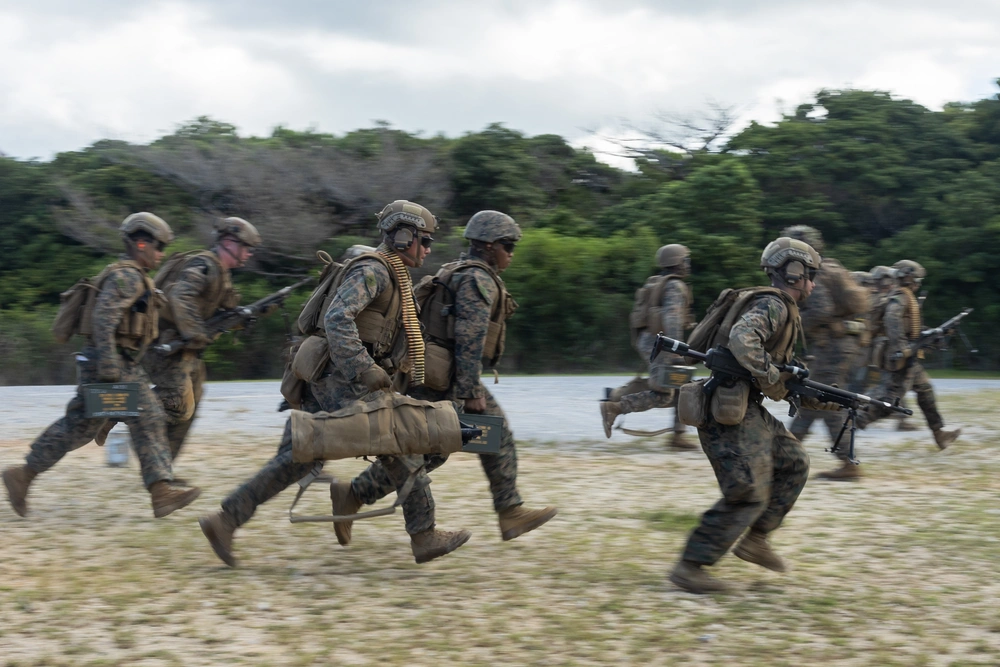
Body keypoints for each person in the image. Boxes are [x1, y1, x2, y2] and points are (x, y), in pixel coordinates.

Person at [199, 200, 470, 566]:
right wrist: (364, 368)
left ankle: (225, 520)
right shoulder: (374, 271)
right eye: (424, 240)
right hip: (342, 377)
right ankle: (424, 535)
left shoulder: (393, 274)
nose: (428, 248)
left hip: (331, 375)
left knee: (297, 458)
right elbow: (338, 319)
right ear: (404, 236)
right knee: (402, 443)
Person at [330, 210, 557, 546]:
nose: (511, 253)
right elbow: (469, 339)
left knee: (434, 450)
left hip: (434, 373)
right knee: (492, 436)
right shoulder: (477, 279)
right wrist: (470, 390)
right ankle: (508, 512)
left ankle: (355, 493)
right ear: (489, 245)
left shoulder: (458, 270)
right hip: (446, 377)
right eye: (508, 245)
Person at [2, 213, 201, 519]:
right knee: (147, 415)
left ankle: (23, 475)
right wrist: (111, 367)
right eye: (158, 246)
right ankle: (161, 492)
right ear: (141, 243)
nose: (161, 254)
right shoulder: (127, 277)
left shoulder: (133, 276)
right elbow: (103, 320)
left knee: (80, 426)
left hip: (105, 362)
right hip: (111, 363)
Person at [669, 237, 833, 594]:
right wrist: (773, 379)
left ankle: (756, 540)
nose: (813, 284)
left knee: (793, 463)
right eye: (810, 276)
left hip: (747, 406)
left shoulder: (778, 306)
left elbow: (784, 373)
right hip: (727, 409)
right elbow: (745, 339)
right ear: (795, 273)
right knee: (748, 492)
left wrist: (830, 401)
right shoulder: (773, 305)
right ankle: (690, 567)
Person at [141, 217, 261, 462]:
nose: (248, 254)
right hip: (165, 346)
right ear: (228, 242)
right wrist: (196, 334)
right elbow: (180, 296)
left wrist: (241, 319)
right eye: (245, 248)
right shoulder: (204, 265)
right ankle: (120, 407)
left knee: (190, 406)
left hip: (185, 349)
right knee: (177, 403)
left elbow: (219, 311)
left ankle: (163, 472)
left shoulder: (221, 274)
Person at [778, 226, 869, 481]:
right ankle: (784, 454)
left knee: (826, 402)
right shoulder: (828, 267)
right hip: (838, 344)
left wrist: (789, 324)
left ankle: (848, 464)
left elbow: (821, 311)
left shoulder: (814, 273)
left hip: (833, 346)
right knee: (813, 400)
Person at [854, 260, 961, 449]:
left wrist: (935, 334)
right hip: (901, 357)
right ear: (909, 278)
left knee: (925, 390)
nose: (919, 283)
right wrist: (901, 348)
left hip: (907, 356)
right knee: (891, 401)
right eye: (917, 279)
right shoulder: (900, 297)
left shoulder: (904, 296)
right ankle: (855, 421)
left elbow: (910, 328)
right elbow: (892, 319)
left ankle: (939, 433)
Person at [601, 244, 696, 449]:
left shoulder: (658, 282)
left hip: (652, 341)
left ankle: (678, 436)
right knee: (664, 394)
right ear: (676, 262)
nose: (688, 265)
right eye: (685, 260)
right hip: (662, 344)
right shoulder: (675, 287)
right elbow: (672, 320)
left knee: (682, 385)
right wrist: (676, 351)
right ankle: (614, 407)